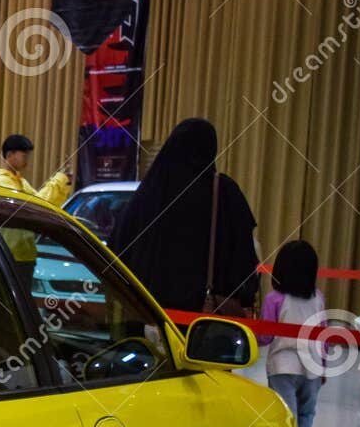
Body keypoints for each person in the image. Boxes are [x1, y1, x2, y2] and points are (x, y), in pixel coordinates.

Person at [109, 118, 259, 315]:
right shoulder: (224, 193)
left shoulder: (150, 193)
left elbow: (118, 251)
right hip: (204, 320)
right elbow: (244, 260)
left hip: (150, 316)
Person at [258, 240, 330, 427]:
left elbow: (265, 337)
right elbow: (324, 336)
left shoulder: (274, 299)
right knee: (307, 412)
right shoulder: (318, 298)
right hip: (312, 367)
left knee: (285, 415)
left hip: (282, 366)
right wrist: (323, 367)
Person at [0, 135, 71, 287]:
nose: (27, 160)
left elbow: (45, 206)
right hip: (8, 254)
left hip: (22, 254)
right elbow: (35, 205)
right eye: (24, 156)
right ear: (10, 155)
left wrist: (63, 184)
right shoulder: (0, 181)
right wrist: (59, 180)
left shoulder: (20, 182)